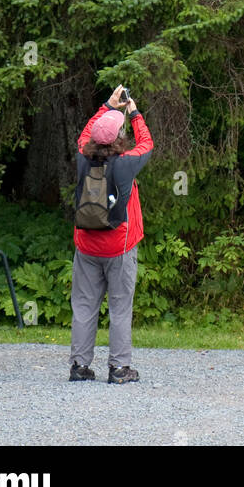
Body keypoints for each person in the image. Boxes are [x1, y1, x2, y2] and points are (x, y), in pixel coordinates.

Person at [68, 84, 153, 383]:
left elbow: (84, 134)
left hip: (87, 246)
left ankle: (79, 367)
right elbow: (147, 143)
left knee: (83, 305)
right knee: (119, 307)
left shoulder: (82, 157)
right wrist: (133, 112)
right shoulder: (126, 164)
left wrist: (107, 105)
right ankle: (118, 368)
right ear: (119, 138)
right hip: (119, 246)